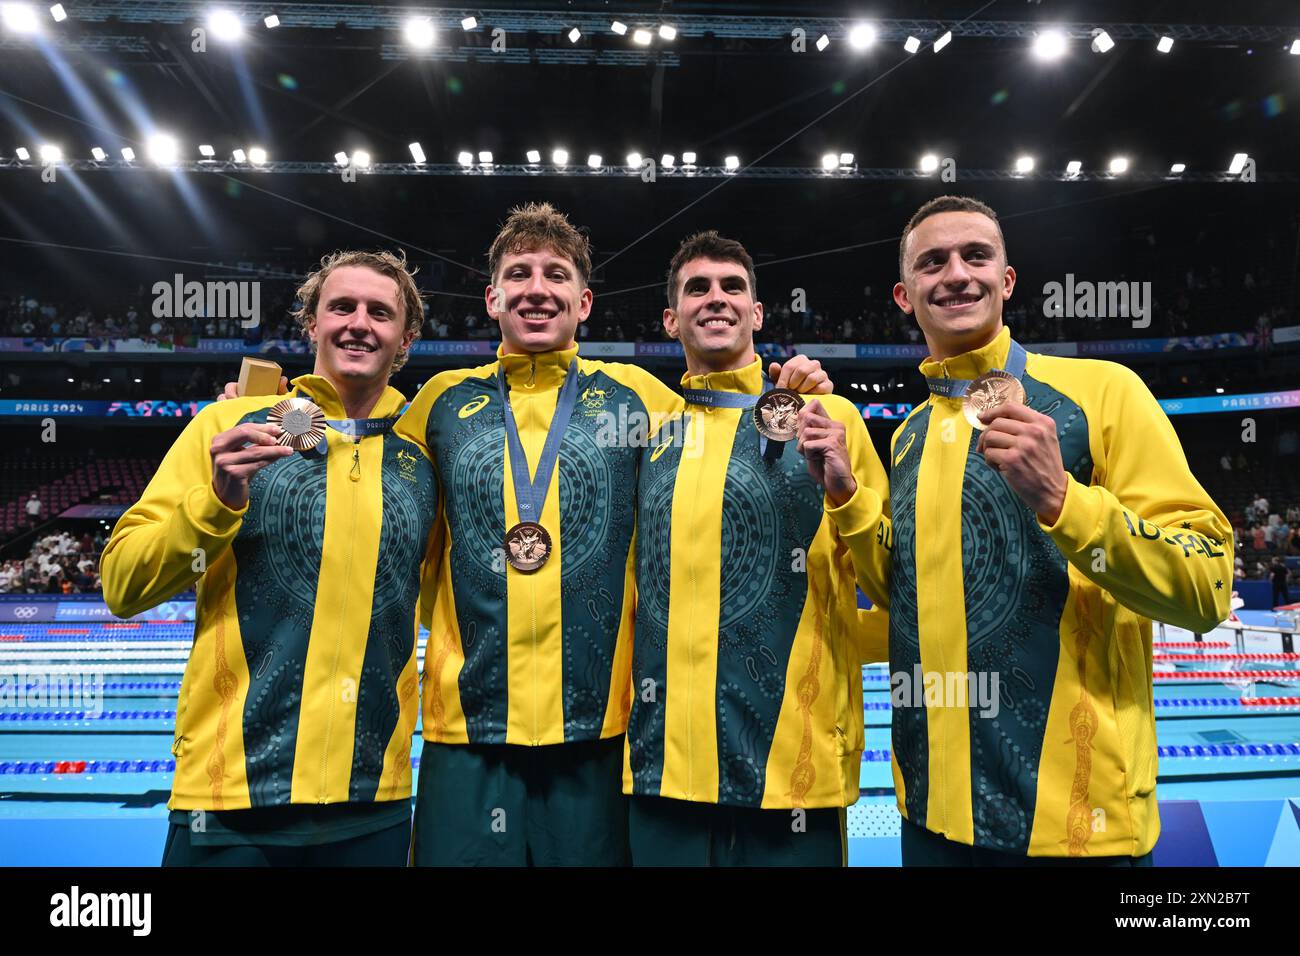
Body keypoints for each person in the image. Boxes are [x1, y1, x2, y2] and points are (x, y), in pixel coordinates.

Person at [395, 204, 830, 866]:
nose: (537, 288)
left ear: (585, 299)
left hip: (602, 732)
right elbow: (349, 451)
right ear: (492, 297)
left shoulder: (641, 399)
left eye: (556, 274)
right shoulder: (439, 401)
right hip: (468, 727)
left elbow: (730, 433)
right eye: (519, 274)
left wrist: (792, 390)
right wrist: (269, 413)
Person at [834, 195, 1232, 865]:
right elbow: (903, 594)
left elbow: (1209, 585)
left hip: (1076, 831)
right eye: (933, 262)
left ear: (1007, 280)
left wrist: (1063, 501)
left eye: (975, 255)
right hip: (931, 820)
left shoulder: (1103, 393)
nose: (956, 274)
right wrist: (847, 499)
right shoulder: (908, 437)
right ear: (904, 296)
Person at [102, 250, 440, 866]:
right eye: (341, 307)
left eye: (379, 312)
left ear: (405, 338)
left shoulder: (423, 454)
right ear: (311, 323)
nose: (358, 323)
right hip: (230, 804)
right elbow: (123, 585)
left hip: (374, 803)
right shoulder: (228, 425)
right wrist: (216, 501)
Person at [623, 231, 889, 866]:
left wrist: (847, 493)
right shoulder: (651, 437)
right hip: (666, 771)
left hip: (797, 769)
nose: (716, 299)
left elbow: (895, 579)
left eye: (732, 287)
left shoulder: (831, 419)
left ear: (758, 313)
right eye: (697, 288)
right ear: (671, 318)